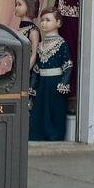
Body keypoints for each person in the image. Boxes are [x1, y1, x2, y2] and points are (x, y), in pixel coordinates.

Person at [29, 7, 73, 141]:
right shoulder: (41, 45)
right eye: (42, 20)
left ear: (58, 23)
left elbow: (68, 65)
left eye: (48, 20)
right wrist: (32, 87)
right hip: (42, 84)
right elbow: (37, 69)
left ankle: (54, 135)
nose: (44, 23)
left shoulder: (61, 44)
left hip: (55, 84)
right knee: (40, 109)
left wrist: (63, 83)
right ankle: (38, 134)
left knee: (55, 110)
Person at [14, 0, 41, 64]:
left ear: (29, 6)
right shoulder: (19, 30)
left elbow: (34, 55)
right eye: (16, 5)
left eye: (19, 4)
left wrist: (24, 73)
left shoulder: (33, 31)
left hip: (27, 72)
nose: (16, 7)